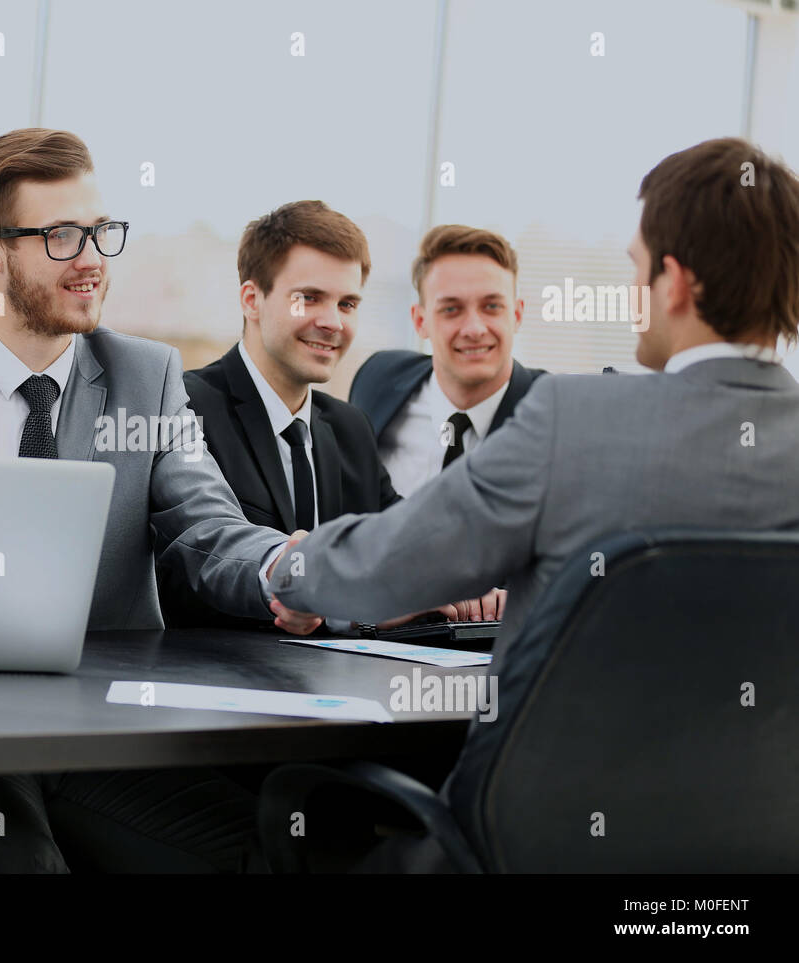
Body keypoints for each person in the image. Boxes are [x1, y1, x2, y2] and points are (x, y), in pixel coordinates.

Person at [270, 137, 799, 870]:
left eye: (637, 272)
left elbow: (390, 563)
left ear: (674, 282)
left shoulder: (573, 420)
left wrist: (287, 569)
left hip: (530, 846)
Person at [0, 128, 323, 873]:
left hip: (91, 733)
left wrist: (281, 563)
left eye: (99, 233)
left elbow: (205, 526)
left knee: (270, 852)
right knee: (19, 860)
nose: (90, 260)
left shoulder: (144, 376)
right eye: (59, 236)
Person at [162, 200, 500, 627]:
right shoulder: (186, 408)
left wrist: (459, 581)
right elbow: (186, 572)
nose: (333, 322)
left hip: (337, 685)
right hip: (219, 680)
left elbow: (401, 543)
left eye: (347, 304)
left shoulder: (349, 428)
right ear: (252, 299)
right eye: (310, 298)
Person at [349, 225, 546, 497]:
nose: (474, 329)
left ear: (517, 315)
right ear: (420, 321)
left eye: (492, 306)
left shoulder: (553, 413)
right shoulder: (376, 378)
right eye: (451, 309)